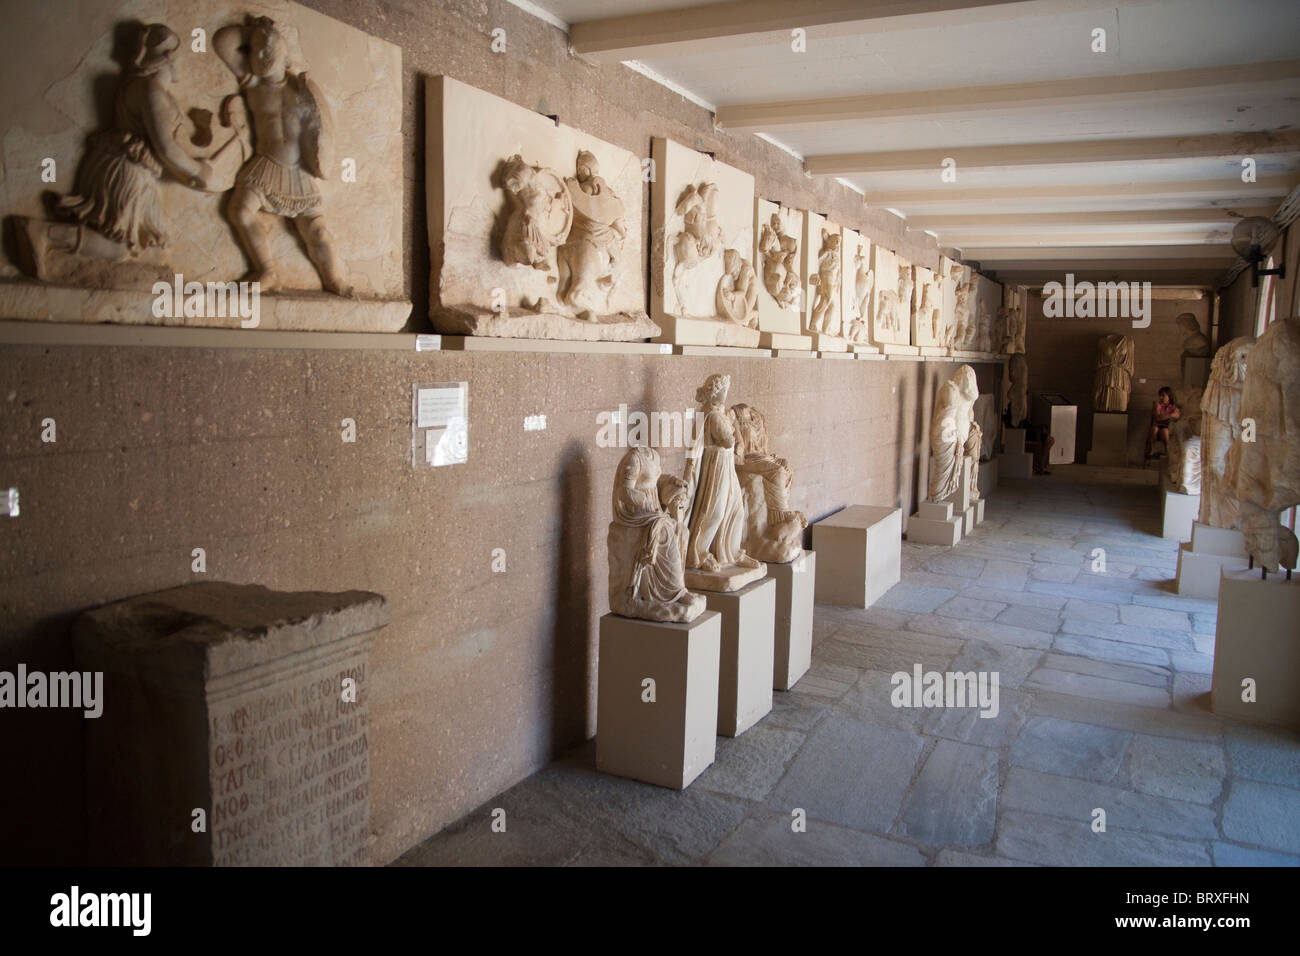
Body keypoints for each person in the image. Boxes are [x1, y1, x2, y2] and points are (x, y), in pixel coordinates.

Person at [1145, 386, 1180, 459]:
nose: (1161, 397)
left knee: (1165, 431)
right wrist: (1170, 415)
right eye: (1160, 395)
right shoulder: (1157, 405)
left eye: (1163, 395)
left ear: (1169, 396)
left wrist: (1164, 416)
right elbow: (1157, 417)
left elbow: (1177, 416)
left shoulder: (1173, 407)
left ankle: (1167, 450)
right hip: (1156, 427)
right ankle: (1152, 450)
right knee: (1154, 429)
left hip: (1166, 428)